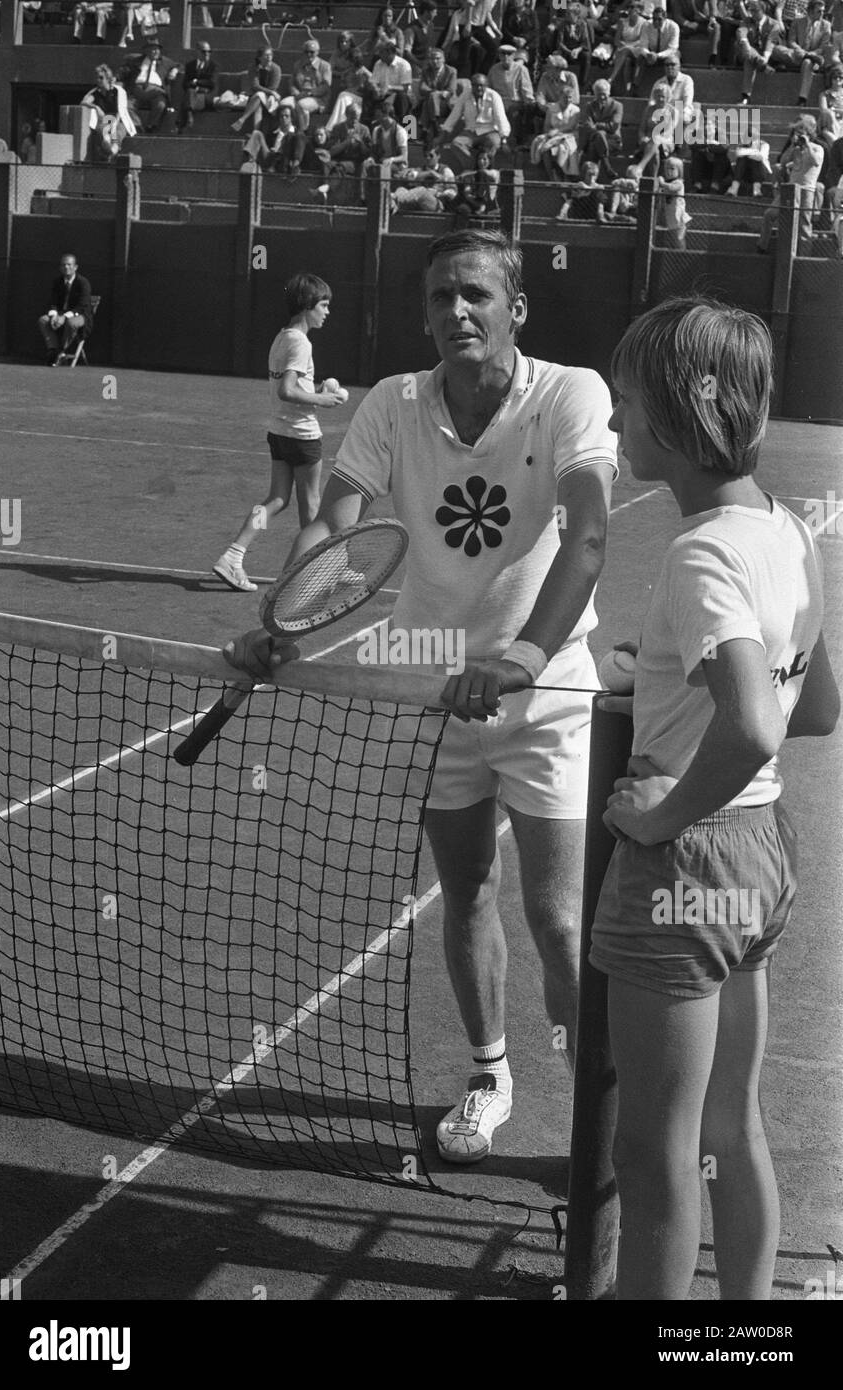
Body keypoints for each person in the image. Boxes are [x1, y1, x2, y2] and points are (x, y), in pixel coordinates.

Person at [223, 229, 618, 1164]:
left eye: (476, 295)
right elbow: (335, 522)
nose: (456, 313)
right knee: (467, 892)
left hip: (548, 692)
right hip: (435, 690)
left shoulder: (571, 394)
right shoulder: (394, 406)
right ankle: (490, 1076)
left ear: (517, 308)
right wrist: (282, 618)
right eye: (440, 297)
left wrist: (522, 657)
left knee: (562, 919)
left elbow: (590, 534)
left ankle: (606, 1119)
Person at [593, 295, 838, 1300]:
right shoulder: (784, 528)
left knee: (654, 1153)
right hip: (760, 857)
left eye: (623, 407)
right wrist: (659, 667)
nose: (613, 426)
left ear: (676, 416)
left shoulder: (699, 552)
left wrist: (656, 817)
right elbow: (818, 703)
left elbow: (754, 721)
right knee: (734, 1126)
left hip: (686, 863)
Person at [213, 273, 344, 593]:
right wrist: (323, 399)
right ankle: (317, 569)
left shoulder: (282, 337)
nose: (327, 312)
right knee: (311, 506)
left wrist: (314, 388)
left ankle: (233, 555)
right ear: (307, 306)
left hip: (280, 433)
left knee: (277, 499)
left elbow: (290, 386)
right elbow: (287, 390)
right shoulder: (301, 343)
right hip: (302, 435)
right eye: (324, 305)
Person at [757, 114, 824, 251]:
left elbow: (816, 162)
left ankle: (804, 255)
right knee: (770, 214)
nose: (798, 136)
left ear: (809, 133)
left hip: (807, 190)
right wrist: (793, 146)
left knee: (804, 225)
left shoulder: (817, 148)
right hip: (790, 189)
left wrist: (807, 145)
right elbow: (783, 161)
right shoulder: (795, 149)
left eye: (801, 133)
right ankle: (762, 245)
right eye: (796, 133)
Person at [435, 72, 512, 171]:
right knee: (456, 144)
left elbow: (500, 117)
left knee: (494, 143)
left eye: (481, 85)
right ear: (472, 86)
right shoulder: (466, 94)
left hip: (489, 130)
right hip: (470, 131)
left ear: (486, 85)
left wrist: (504, 138)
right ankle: (472, 169)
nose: (478, 88)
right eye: (475, 85)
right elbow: (455, 114)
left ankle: (487, 169)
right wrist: (444, 132)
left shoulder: (494, 96)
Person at [37, 253, 94, 366]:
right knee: (43, 320)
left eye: (69, 264)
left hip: (81, 315)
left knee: (71, 323)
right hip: (61, 314)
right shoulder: (57, 282)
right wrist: (54, 315)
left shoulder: (83, 283)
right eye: (63, 265)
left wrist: (64, 317)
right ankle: (53, 350)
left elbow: (82, 306)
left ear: (75, 267)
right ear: (60, 267)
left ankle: (60, 351)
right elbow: (53, 302)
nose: (66, 267)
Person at [120, 37, 180, 133]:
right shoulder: (136, 60)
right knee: (126, 106)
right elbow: (123, 69)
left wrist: (174, 70)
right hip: (137, 89)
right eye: (153, 49)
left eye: (157, 49)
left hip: (155, 91)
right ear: (146, 50)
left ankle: (151, 125)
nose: (156, 52)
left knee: (160, 104)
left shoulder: (165, 61)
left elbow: (178, 65)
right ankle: (138, 126)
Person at [81, 63, 137, 158]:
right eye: (97, 78)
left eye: (101, 78)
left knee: (117, 133)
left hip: (119, 121)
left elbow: (121, 110)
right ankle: (110, 148)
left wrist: (114, 125)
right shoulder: (96, 93)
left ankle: (112, 149)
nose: (98, 80)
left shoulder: (118, 91)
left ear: (108, 78)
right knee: (105, 130)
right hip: (105, 121)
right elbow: (84, 102)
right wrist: (96, 107)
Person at [577, 76, 622, 179]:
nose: (602, 97)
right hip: (594, 138)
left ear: (609, 93)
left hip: (612, 141)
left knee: (596, 141)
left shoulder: (617, 106)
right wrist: (600, 129)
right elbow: (588, 125)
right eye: (599, 94)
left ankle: (589, 182)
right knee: (598, 137)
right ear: (594, 94)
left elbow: (613, 126)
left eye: (604, 94)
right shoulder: (589, 106)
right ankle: (607, 167)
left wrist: (598, 125)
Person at [230, 44, 282, 134]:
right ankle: (256, 133)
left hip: (271, 98)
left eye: (270, 55)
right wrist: (271, 92)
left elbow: (273, 87)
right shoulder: (253, 67)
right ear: (260, 57)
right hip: (256, 97)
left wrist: (271, 93)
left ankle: (242, 119)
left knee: (259, 95)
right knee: (258, 102)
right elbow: (255, 85)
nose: (269, 57)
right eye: (266, 55)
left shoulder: (276, 69)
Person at [417, 47, 459, 147]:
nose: (434, 61)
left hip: (447, 103)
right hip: (432, 102)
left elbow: (451, 90)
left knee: (431, 98)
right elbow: (422, 88)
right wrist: (437, 93)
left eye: (437, 58)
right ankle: (434, 124)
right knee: (432, 97)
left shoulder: (451, 71)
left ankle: (426, 128)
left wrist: (436, 94)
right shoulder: (426, 71)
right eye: (432, 59)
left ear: (443, 59)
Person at [291, 38, 333, 131]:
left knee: (301, 105)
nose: (309, 54)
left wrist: (310, 93)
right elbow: (292, 83)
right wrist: (296, 93)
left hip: (318, 99)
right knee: (284, 104)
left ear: (317, 52)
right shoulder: (298, 65)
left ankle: (302, 131)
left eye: (312, 52)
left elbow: (325, 87)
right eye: (306, 52)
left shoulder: (325, 66)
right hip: (299, 95)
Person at [177, 39, 217, 130]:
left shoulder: (213, 66)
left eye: (209, 51)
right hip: (193, 95)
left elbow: (212, 83)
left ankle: (181, 121)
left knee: (188, 95)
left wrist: (195, 83)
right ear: (197, 52)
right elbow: (184, 84)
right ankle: (188, 116)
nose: (207, 54)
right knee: (190, 92)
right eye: (204, 51)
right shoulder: (190, 65)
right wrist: (195, 86)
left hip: (206, 95)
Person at [656, 153, 691, 246]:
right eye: (667, 168)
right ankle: (676, 254)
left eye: (672, 168)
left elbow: (671, 188)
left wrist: (662, 183)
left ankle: (681, 254)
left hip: (679, 218)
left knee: (679, 239)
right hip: (671, 217)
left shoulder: (679, 182)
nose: (668, 171)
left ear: (679, 171)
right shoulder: (667, 183)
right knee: (673, 240)